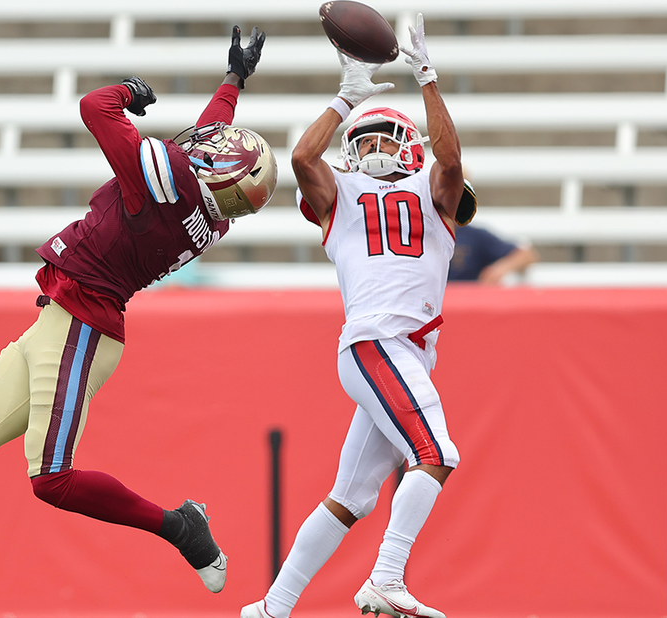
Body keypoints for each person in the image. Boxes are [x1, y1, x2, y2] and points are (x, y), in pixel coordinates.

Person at [0, 25, 275, 618]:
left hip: (84, 327)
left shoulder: (163, 183)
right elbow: (213, 142)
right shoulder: (200, 205)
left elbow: (95, 106)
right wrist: (234, 80)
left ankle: (181, 527)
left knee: (51, 479)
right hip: (63, 318)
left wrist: (132, 91)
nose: (203, 144)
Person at [242, 13, 472, 618]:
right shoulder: (339, 195)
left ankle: (273, 606)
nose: (370, 148)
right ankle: (385, 578)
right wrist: (347, 98)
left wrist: (427, 79)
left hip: (404, 351)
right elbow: (300, 157)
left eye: (381, 138)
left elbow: (450, 162)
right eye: (361, 141)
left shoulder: (434, 188)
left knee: (350, 498)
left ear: (408, 146)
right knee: (438, 454)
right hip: (378, 342)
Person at [449, 223, 538, 284]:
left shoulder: (474, 236)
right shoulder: (435, 234)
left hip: (467, 299)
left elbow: (526, 255)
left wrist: (499, 268)